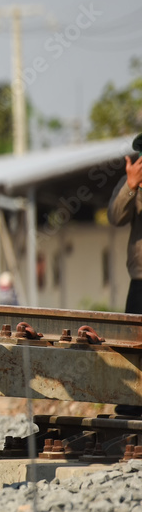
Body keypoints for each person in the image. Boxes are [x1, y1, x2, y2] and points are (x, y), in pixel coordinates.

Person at [107, 132, 142, 418]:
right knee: (134, 341)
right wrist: (131, 186)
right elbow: (115, 217)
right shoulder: (134, 182)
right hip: (140, 277)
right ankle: (133, 399)